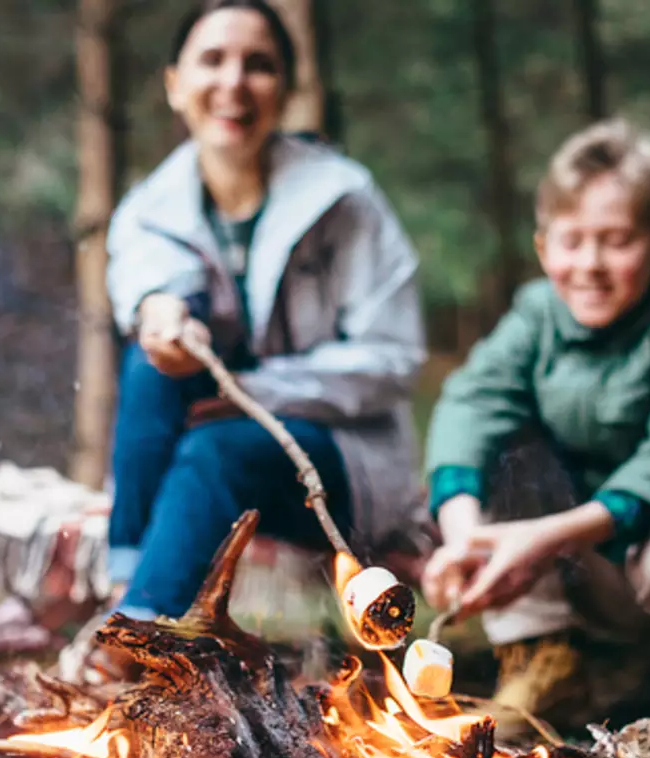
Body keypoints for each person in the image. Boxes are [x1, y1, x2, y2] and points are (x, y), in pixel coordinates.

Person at [418, 117, 650, 753]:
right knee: (502, 452)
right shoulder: (537, 315)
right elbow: (471, 403)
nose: (588, 264)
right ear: (541, 246)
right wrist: (464, 536)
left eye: (616, 241)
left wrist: (542, 537)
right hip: (575, 565)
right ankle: (543, 656)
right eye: (572, 241)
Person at [100, 0, 426, 631]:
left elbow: (394, 360)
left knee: (217, 447)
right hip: (218, 471)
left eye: (259, 65)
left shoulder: (344, 199)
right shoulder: (151, 209)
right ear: (175, 84)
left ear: (285, 88)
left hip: (340, 466)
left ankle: (137, 630)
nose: (233, 83)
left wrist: (253, 391)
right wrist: (161, 313)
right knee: (150, 366)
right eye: (212, 61)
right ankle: (125, 588)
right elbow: (148, 280)